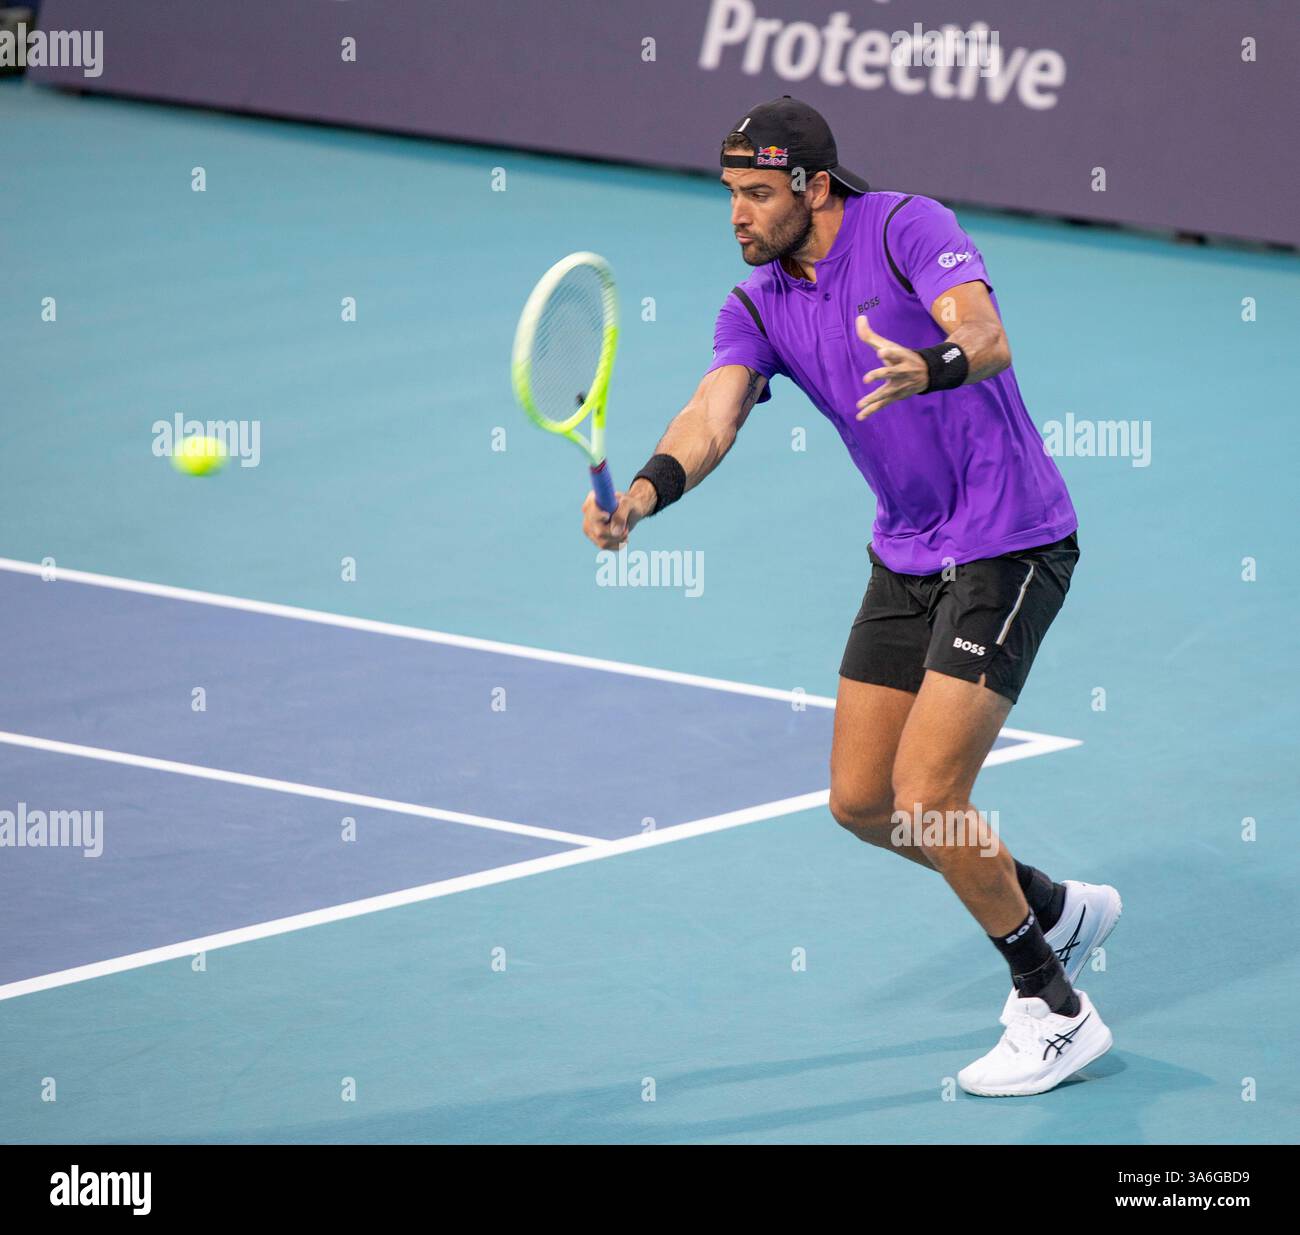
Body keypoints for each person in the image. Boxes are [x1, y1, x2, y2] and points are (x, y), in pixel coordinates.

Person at [581, 96, 1120, 1097]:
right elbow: (714, 412)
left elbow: (986, 335)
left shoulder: (907, 225)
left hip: (1010, 539)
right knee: (864, 800)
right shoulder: (754, 305)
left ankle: (1053, 1005)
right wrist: (647, 491)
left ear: (811, 186)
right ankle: (1051, 905)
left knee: (929, 796)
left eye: (753, 194)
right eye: (728, 194)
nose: (736, 214)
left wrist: (932, 366)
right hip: (907, 553)